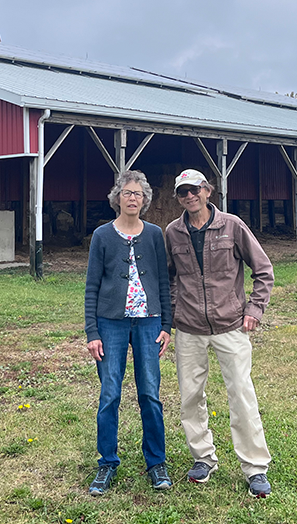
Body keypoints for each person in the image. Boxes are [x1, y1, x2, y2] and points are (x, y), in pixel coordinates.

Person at [164, 168, 275, 498]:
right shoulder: (172, 232)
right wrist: (173, 314)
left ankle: (255, 467)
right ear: (178, 197)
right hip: (189, 329)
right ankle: (203, 458)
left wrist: (254, 309)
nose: (189, 196)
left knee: (241, 394)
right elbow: (168, 278)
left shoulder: (232, 226)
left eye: (194, 189)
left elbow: (264, 270)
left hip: (230, 326)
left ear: (208, 191)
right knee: (189, 397)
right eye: (183, 192)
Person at [84, 170, 173, 496]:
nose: (132, 198)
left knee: (150, 393)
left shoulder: (153, 234)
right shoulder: (102, 236)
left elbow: (164, 282)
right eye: (127, 192)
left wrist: (166, 325)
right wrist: (92, 331)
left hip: (148, 321)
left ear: (145, 199)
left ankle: (156, 461)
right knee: (110, 394)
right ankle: (107, 462)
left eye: (138, 193)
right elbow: (91, 287)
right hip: (111, 324)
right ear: (117, 198)